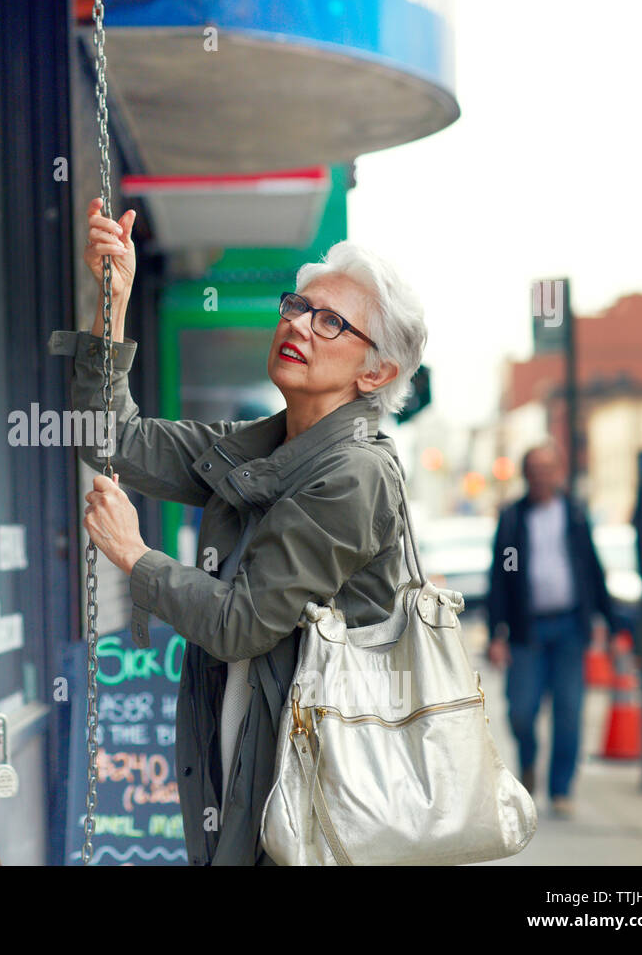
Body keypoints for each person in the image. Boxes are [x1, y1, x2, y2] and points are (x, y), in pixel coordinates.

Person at [52, 199, 428, 865]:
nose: (300, 325)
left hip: (316, 780)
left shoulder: (353, 476)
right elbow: (111, 438)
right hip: (243, 751)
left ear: (375, 373)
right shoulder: (259, 449)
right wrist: (113, 301)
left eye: (330, 322)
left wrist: (135, 556)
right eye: (297, 306)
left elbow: (241, 624)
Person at [486, 442, 625, 819]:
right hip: (526, 630)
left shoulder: (575, 514)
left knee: (568, 711)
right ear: (525, 475)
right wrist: (495, 634)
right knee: (521, 710)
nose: (542, 476)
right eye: (535, 469)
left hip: (569, 628)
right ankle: (528, 761)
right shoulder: (513, 518)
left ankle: (561, 788)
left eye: (549, 468)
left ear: (559, 472)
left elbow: (592, 571)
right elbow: (500, 576)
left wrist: (610, 626)